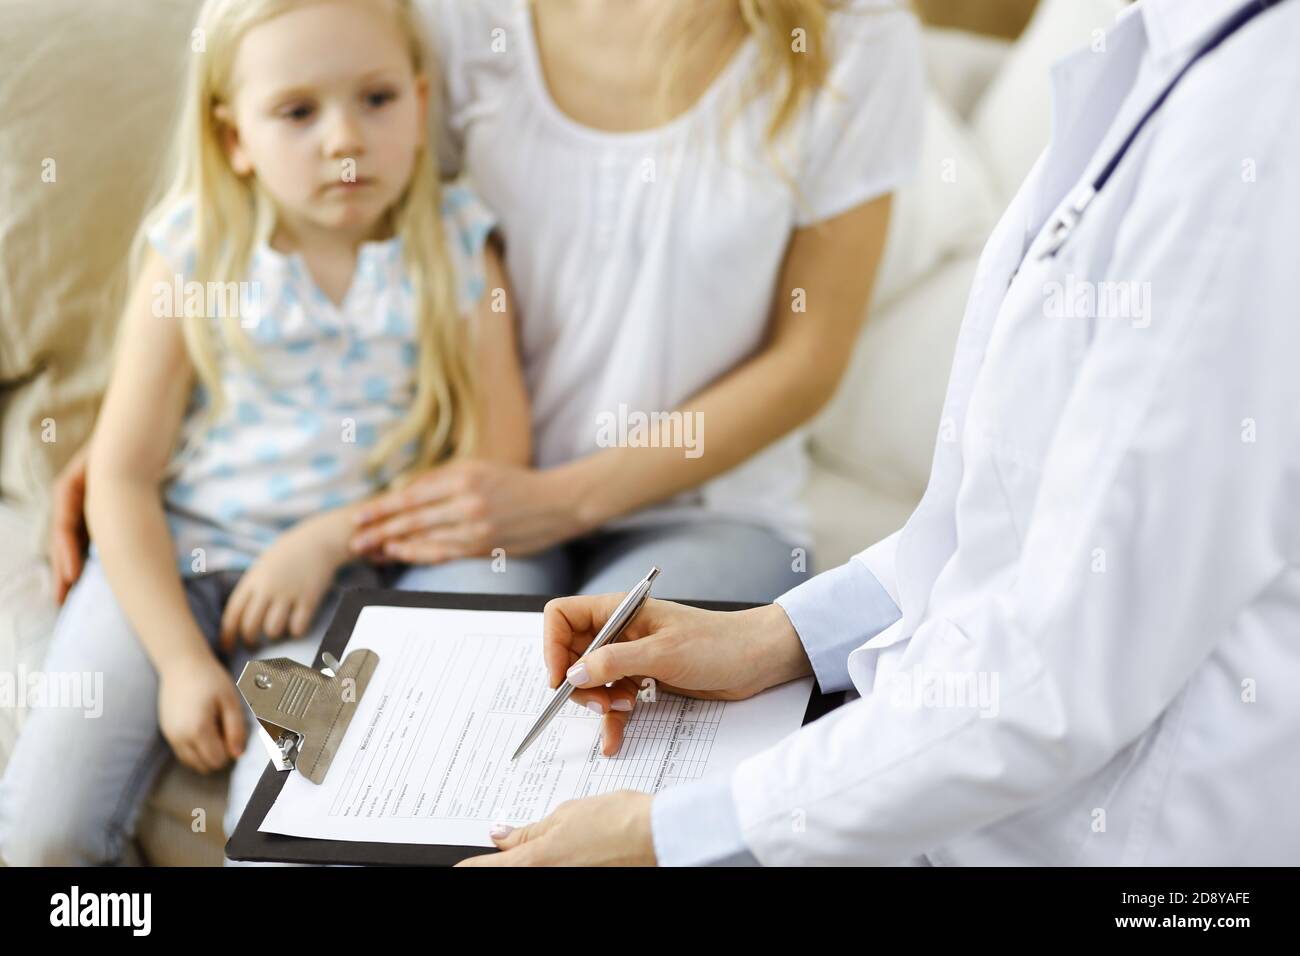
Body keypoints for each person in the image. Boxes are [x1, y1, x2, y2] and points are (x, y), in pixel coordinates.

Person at [459, 0, 1300, 866]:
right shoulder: (1164, 53)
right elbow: (1005, 526)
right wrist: (769, 637)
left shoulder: (1255, 135)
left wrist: (668, 836)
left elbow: (1059, 672)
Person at [47, 0, 925, 609]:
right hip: (461, 493)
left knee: (601, 705)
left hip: (708, 510)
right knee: (420, 728)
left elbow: (809, 356)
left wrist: (565, 499)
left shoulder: (855, 40)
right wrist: (131, 433)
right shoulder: (460, 21)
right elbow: (324, 206)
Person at [0, 0, 530, 865]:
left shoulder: (459, 245)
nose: (344, 140)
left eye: (377, 100)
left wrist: (328, 540)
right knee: (44, 832)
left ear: (423, 102)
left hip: (339, 585)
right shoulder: (193, 249)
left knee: (287, 836)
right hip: (170, 563)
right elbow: (123, 477)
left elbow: (499, 462)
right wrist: (178, 662)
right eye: (297, 112)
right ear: (234, 136)